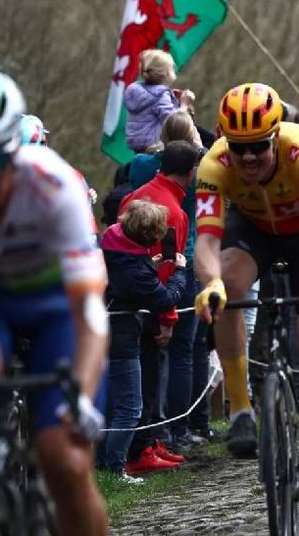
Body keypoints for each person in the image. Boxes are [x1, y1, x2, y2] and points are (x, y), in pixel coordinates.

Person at [0, 69, 109, 535]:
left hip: (57, 309)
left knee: (67, 463)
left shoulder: (54, 184)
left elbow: (89, 305)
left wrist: (83, 395)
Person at [192, 83, 299, 533]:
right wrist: (210, 285)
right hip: (255, 231)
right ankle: (242, 411)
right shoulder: (214, 164)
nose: (247, 159)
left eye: (258, 148)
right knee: (227, 286)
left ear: (276, 135)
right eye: (238, 149)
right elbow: (206, 239)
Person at [119, 141, 198, 465]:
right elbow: (168, 266)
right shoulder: (174, 212)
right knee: (149, 376)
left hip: (123, 299)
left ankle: (149, 440)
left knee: (139, 377)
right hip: (151, 303)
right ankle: (142, 449)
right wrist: (167, 318)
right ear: (191, 172)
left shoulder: (134, 195)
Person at [98, 200, 187, 480]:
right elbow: (166, 299)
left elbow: (126, 274)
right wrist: (180, 272)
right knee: (130, 407)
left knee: (113, 405)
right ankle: (114, 468)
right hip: (121, 338)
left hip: (102, 332)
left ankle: (105, 463)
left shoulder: (111, 242)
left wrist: (149, 263)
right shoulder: (135, 272)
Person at [124, 48, 196, 154]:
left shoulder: (136, 92)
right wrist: (184, 104)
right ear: (166, 73)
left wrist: (173, 100)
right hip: (155, 147)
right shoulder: (160, 95)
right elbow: (173, 122)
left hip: (138, 148)